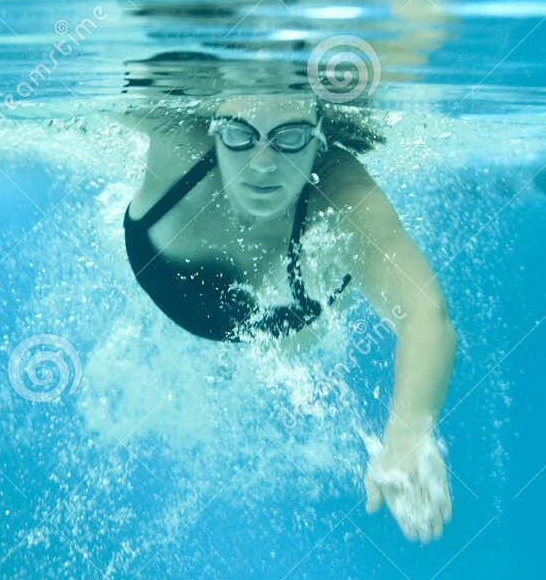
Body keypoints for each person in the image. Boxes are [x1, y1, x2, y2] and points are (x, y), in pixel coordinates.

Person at [120, 59, 456, 544]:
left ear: (319, 137)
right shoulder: (177, 138)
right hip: (167, 276)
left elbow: (424, 312)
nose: (262, 162)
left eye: (291, 137)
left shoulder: (341, 191)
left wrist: (408, 434)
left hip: (290, 324)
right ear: (213, 129)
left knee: (301, 329)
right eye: (239, 134)